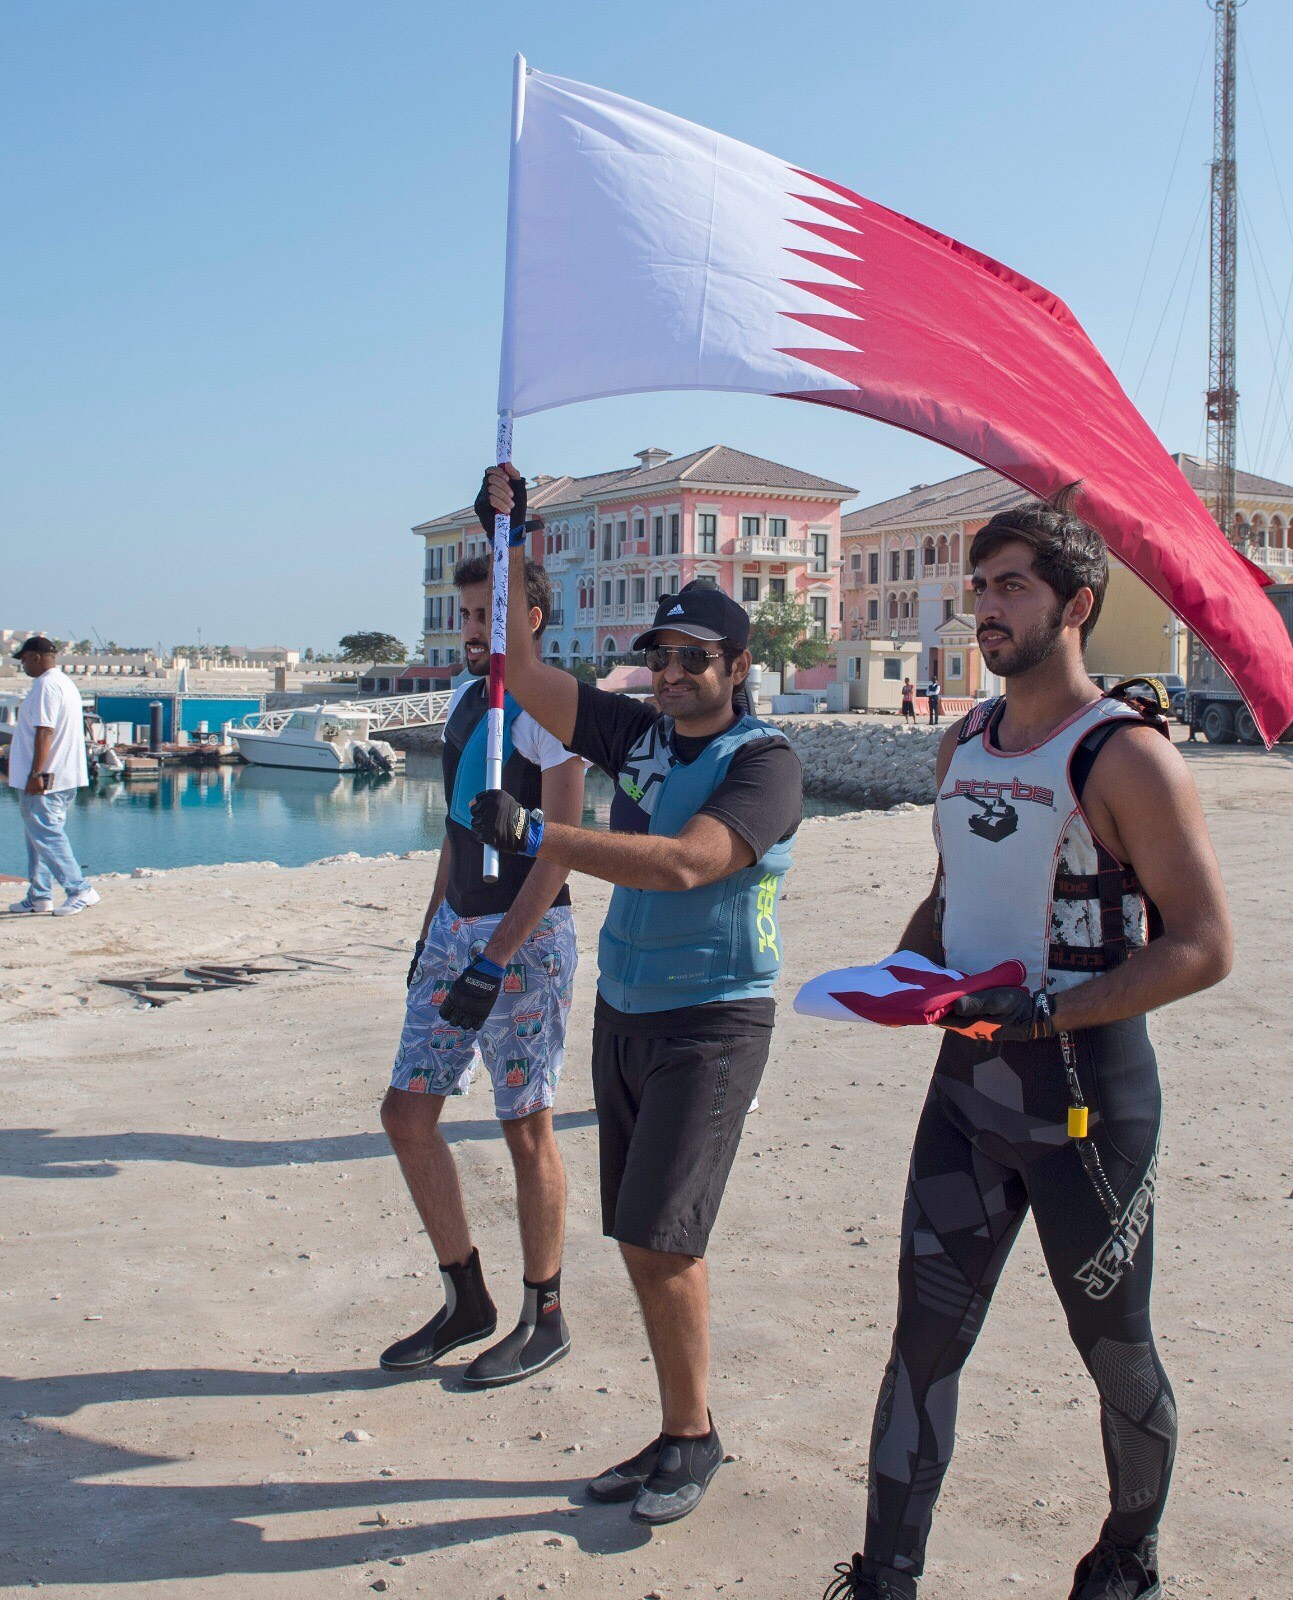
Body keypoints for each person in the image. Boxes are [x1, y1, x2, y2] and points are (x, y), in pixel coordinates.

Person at [825, 498, 1233, 1600]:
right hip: (966, 1096)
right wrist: (896, 974)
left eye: (1012, 586)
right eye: (981, 585)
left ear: (1076, 606)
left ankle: (1127, 1556)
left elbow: (1201, 948)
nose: (986, 606)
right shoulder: (961, 742)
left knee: (1114, 1352)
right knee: (920, 1349)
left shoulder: (1125, 756)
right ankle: (884, 1578)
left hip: (1084, 1108)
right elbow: (955, 894)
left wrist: (1047, 1015)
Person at [468, 463, 804, 1527]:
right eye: (656, 657)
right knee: (642, 1237)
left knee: (664, 1238)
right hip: (628, 1009)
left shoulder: (767, 760)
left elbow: (691, 862)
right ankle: (676, 1429)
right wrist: (509, 531)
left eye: (690, 659)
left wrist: (545, 835)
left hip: (714, 1020)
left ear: (737, 667)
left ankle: (694, 1434)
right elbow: (517, 668)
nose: (667, 674)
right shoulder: (635, 732)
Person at [378, 554, 587, 1390]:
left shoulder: (545, 705)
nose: (471, 629)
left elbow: (566, 846)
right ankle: (466, 1298)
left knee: (524, 1126)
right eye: (464, 614)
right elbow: (457, 832)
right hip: (456, 931)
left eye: (488, 615)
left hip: (525, 941)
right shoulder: (473, 701)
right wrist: (432, 927)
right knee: (406, 1115)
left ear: (532, 618)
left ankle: (546, 1315)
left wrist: (496, 956)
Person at [7, 636, 96, 916]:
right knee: (38, 835)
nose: (22, 666)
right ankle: (40, 895)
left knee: (47, 835)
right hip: (59, 774)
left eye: (23, 660)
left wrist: (36, 773)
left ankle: (80, 889)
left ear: (35, 657)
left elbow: (45, 731)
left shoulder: (46, 686)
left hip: (46, 777)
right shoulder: (64, 684)